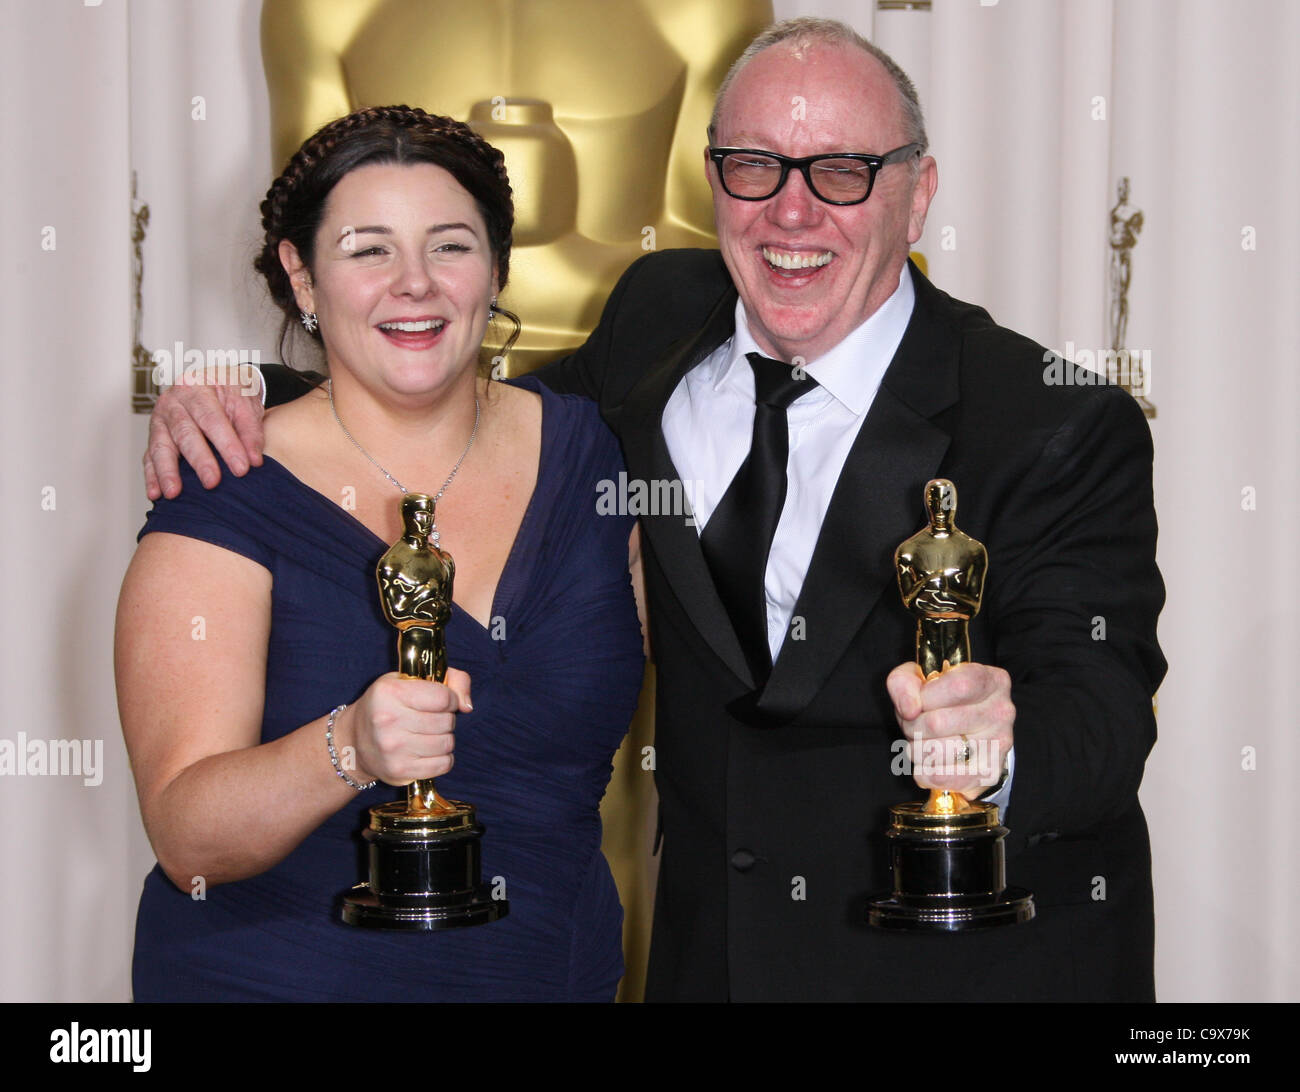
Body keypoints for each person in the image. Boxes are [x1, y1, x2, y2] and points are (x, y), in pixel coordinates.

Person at [143, 19, 1165, 1002]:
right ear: (713, 176)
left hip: (966, 971)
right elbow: (448, 388)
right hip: (705, 966)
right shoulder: (654, 323)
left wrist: (1002, 748)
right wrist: (249, 395)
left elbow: (1104, 711)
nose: (792, 213)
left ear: (917, 191)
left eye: (842, 170)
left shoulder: (1050, 422)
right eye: (754, 165)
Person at [117, 105, 645, 1002]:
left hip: (547, 974)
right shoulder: (229, 478)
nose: (415, 285)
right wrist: (348, 746)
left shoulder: (596, 453)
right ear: (302, 276)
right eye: (368, 250)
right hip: (275, 979)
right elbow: (187, 835)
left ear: (496, 267)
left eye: (450, 246)